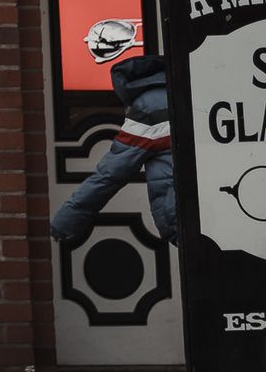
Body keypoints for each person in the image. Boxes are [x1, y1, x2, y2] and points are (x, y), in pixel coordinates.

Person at [52, 51, 177, 244]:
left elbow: (110, 175)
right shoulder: (197, 89)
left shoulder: (148, 107)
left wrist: (64, 222)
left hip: (180, 214)